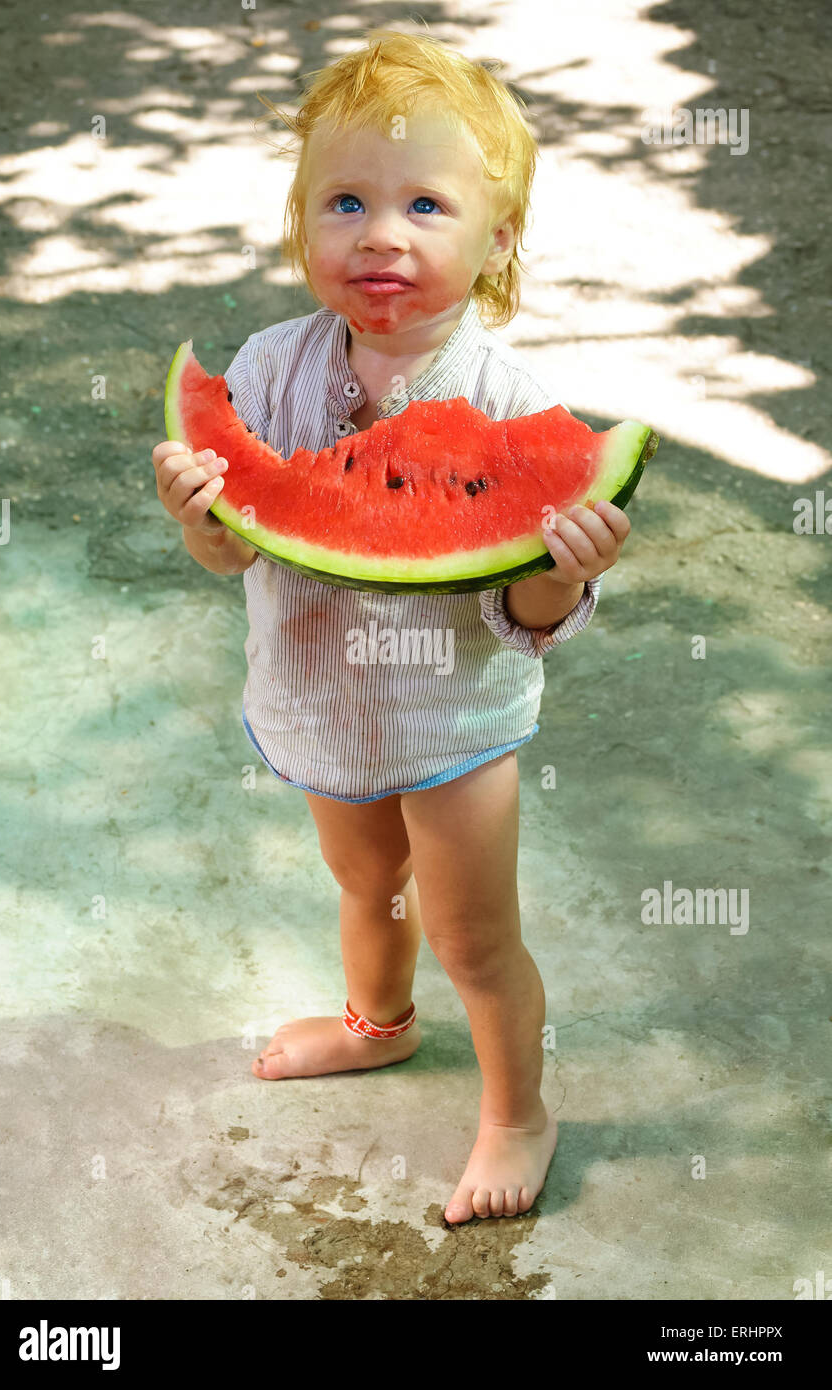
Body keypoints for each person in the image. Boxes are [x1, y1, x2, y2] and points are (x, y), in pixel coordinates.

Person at [151, 28, 632, 1224]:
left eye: (425, 203)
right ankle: (377, 1024)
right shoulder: (266, 370)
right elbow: (238, 544)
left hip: (452, 723)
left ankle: (517, 1109)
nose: (380, 234)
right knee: (364, 888)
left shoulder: (513, 404)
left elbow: (523, 614)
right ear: (300, 225)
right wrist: (203, 518)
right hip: (318, 709)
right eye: (345, 201)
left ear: (496, 238)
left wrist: (558, 573)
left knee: (472, 937)